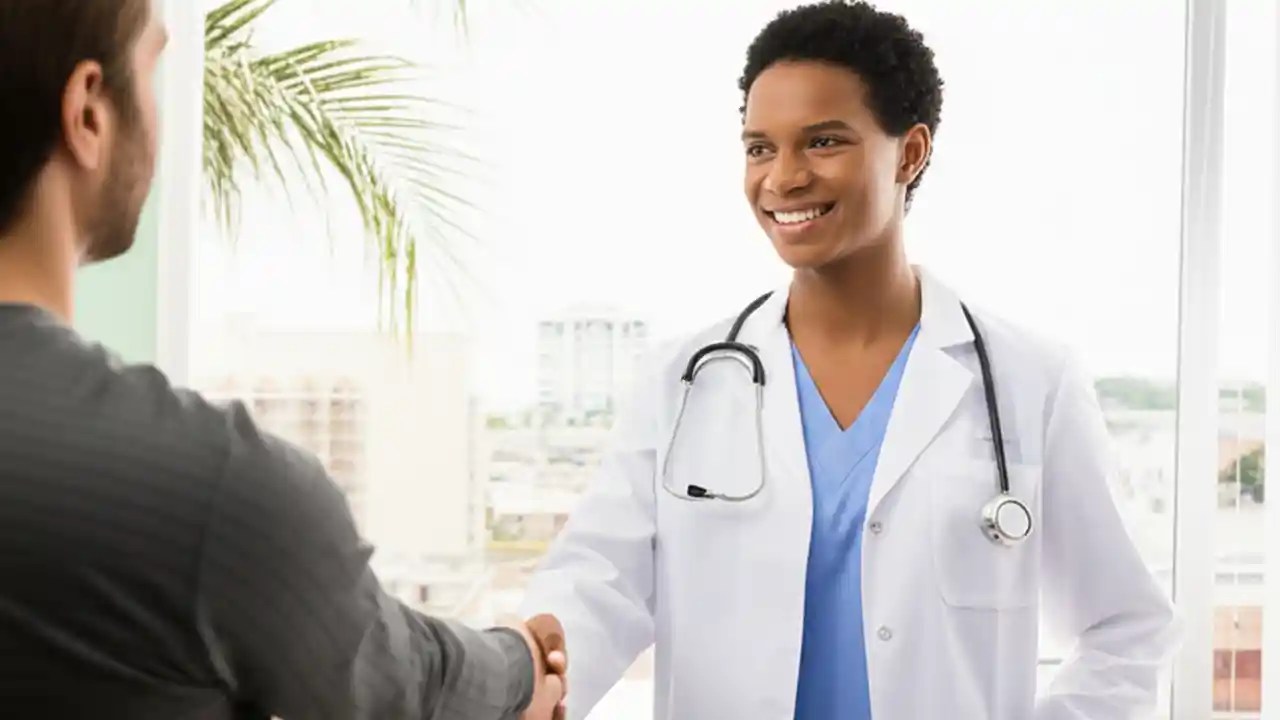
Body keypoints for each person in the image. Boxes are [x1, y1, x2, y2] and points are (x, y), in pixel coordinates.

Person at [518, 2, 1181, 718]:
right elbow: (597, 583)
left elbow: (1127, 626)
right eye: (760, 147)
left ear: (912, 151)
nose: (783, 178)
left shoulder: (1030, 383)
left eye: (823, 141)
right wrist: (535, 678)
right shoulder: (684, 380)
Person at [0, 2, 567, 718]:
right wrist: (521, 660)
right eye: (152, 67)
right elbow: (405, 684)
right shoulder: (207, 487)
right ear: (88, 112)